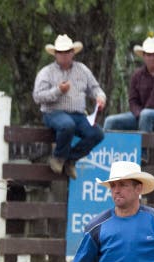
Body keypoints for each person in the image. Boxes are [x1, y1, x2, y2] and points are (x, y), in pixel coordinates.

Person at [33, 34, 105, 180]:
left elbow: (95, 87)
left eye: (67, 52)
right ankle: (59, 158)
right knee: (67, 125)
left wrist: (100, 97)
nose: (64, 55)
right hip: (53, 112)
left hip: (78, 114)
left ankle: (70, 159)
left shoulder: (82, 70)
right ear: (55, 54)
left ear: (72, 52)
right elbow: (37, 96)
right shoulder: (46, 72)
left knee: (97, 134)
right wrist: (58, 91)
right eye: (61, 52)